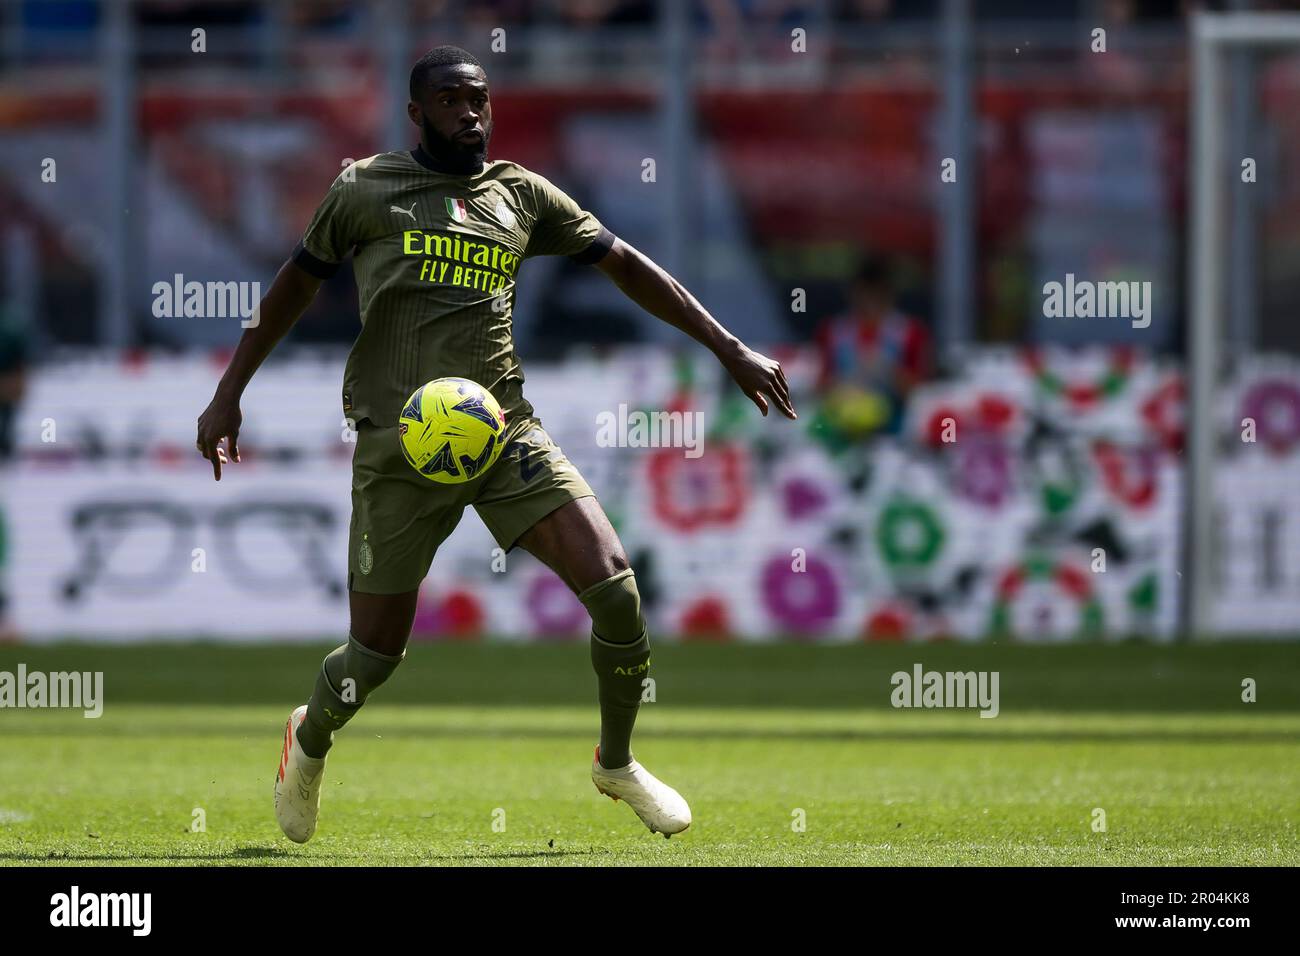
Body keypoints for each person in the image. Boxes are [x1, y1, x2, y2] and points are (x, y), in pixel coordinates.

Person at [195, 46, 795, 843]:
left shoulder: (521, 194)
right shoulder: (365, 190)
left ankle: (616, 763)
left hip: (504, 431)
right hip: (401, 446)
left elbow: (625, 264)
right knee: (373, 656)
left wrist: (729, 347)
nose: (469, 112)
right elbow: (293, 287)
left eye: (478, 98)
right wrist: (229, 393)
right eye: (449, 100)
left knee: (616, 588)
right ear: (417, 114)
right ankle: (310, 739)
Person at [814, 254, 931, 441]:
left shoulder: (910, 333)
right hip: (843, 428)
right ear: (853, 293)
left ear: (889, 294)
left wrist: (889, 373)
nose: (870, 303)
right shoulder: (833, 332)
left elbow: (922, 393)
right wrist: (841, 385)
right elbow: (820, 387)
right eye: (865, 294)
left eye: (877, 295)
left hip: (894, 431)